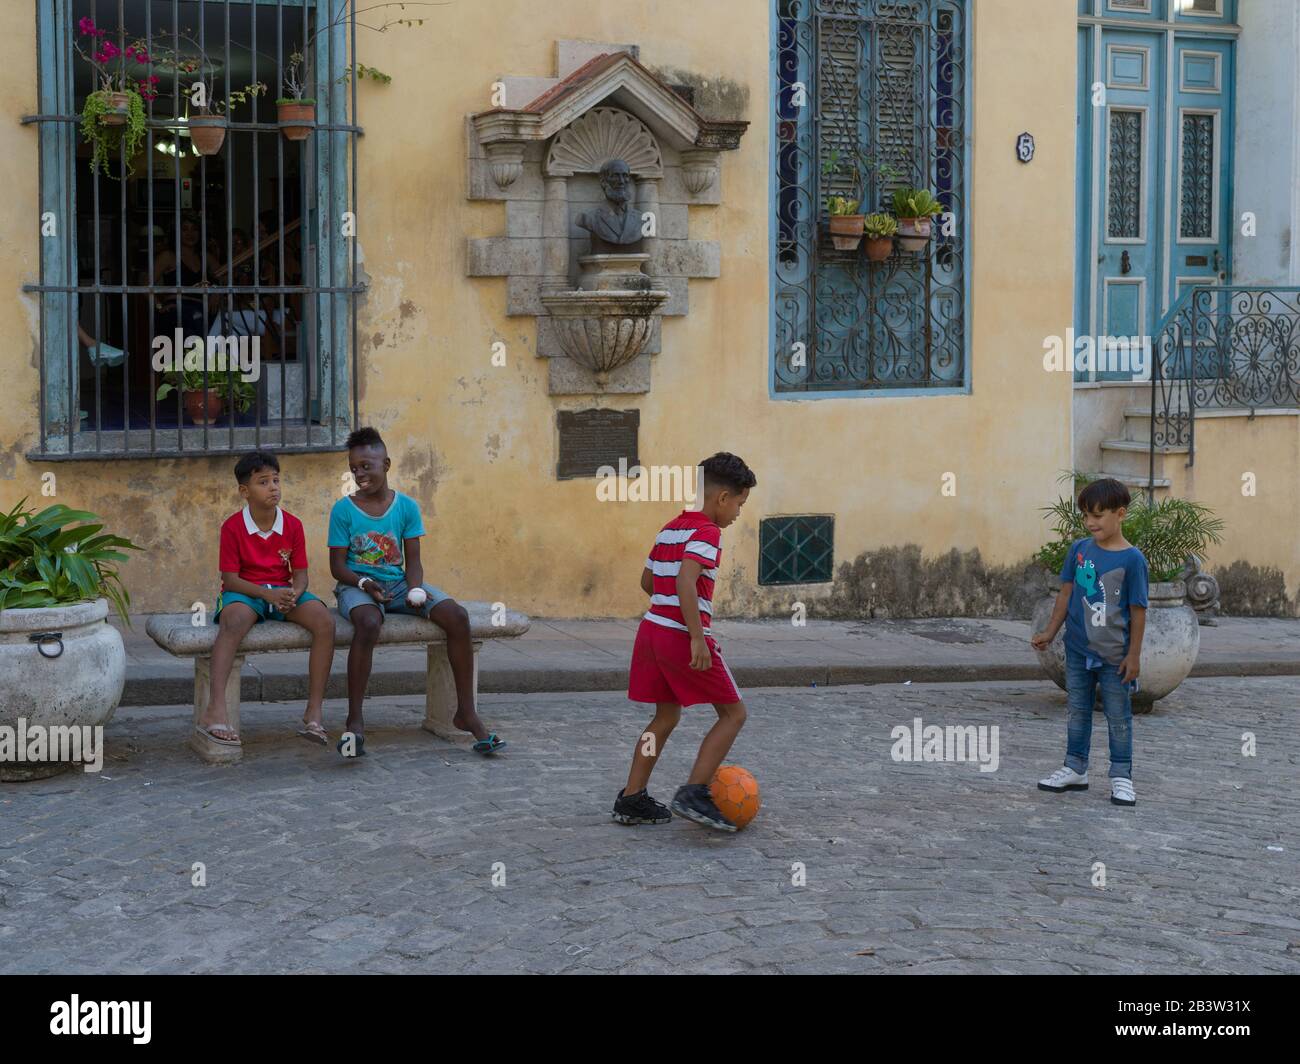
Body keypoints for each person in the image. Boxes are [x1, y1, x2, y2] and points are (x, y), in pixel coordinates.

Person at [327, 426, 505, 759]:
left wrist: (415, 589)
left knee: (457, 616)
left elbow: (414, 562)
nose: (360, 473)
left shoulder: (406, 507)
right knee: (367, 623)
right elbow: (338, 567)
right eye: (354, 468)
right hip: (357, 585)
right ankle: (355, 720)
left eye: (367, 465)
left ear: (387, 464)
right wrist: (364, 584)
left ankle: (466, 712)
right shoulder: (344, 510)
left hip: (398, 584)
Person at [613, 452, 756, 831]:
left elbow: (648, 582)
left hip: (652, 632)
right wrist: (696, 636)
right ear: (721, 498)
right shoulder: (708, 532)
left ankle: (632, 797)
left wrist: (665, 614)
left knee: (665, 716)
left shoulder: (670, 527)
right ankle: (694, 791)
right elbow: (685, 581)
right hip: (680, 635)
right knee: (733, 714)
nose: (738, 513)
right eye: (740, 504)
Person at [196, 451, 336, 753]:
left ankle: (314, 713)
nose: (273, 487)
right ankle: (216, 709)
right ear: (244, 492)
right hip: (245, 591)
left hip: (282, 590)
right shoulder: (232, 527)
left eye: (276, 480)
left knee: (324, 622)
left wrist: (294, 595)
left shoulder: (293, 525)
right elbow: (230, 579)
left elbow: (300, 576)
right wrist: (267, 595)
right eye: (263, 482)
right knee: (233, 622)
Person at [1033, 477, 1149, 807]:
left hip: (1115, 656)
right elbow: (1066, 594)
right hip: (1078, 649)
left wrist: (1134, 655)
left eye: (1098, 515)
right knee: (1077, 711)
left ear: (1120, 514)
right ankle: (1075, 768)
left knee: (1118, 717)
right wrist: (1050, 632)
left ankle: (1121, 777)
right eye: (1086, 515)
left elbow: (1138, 611)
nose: (1090, 522)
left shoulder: (1133, 561)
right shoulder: (1079, 551)